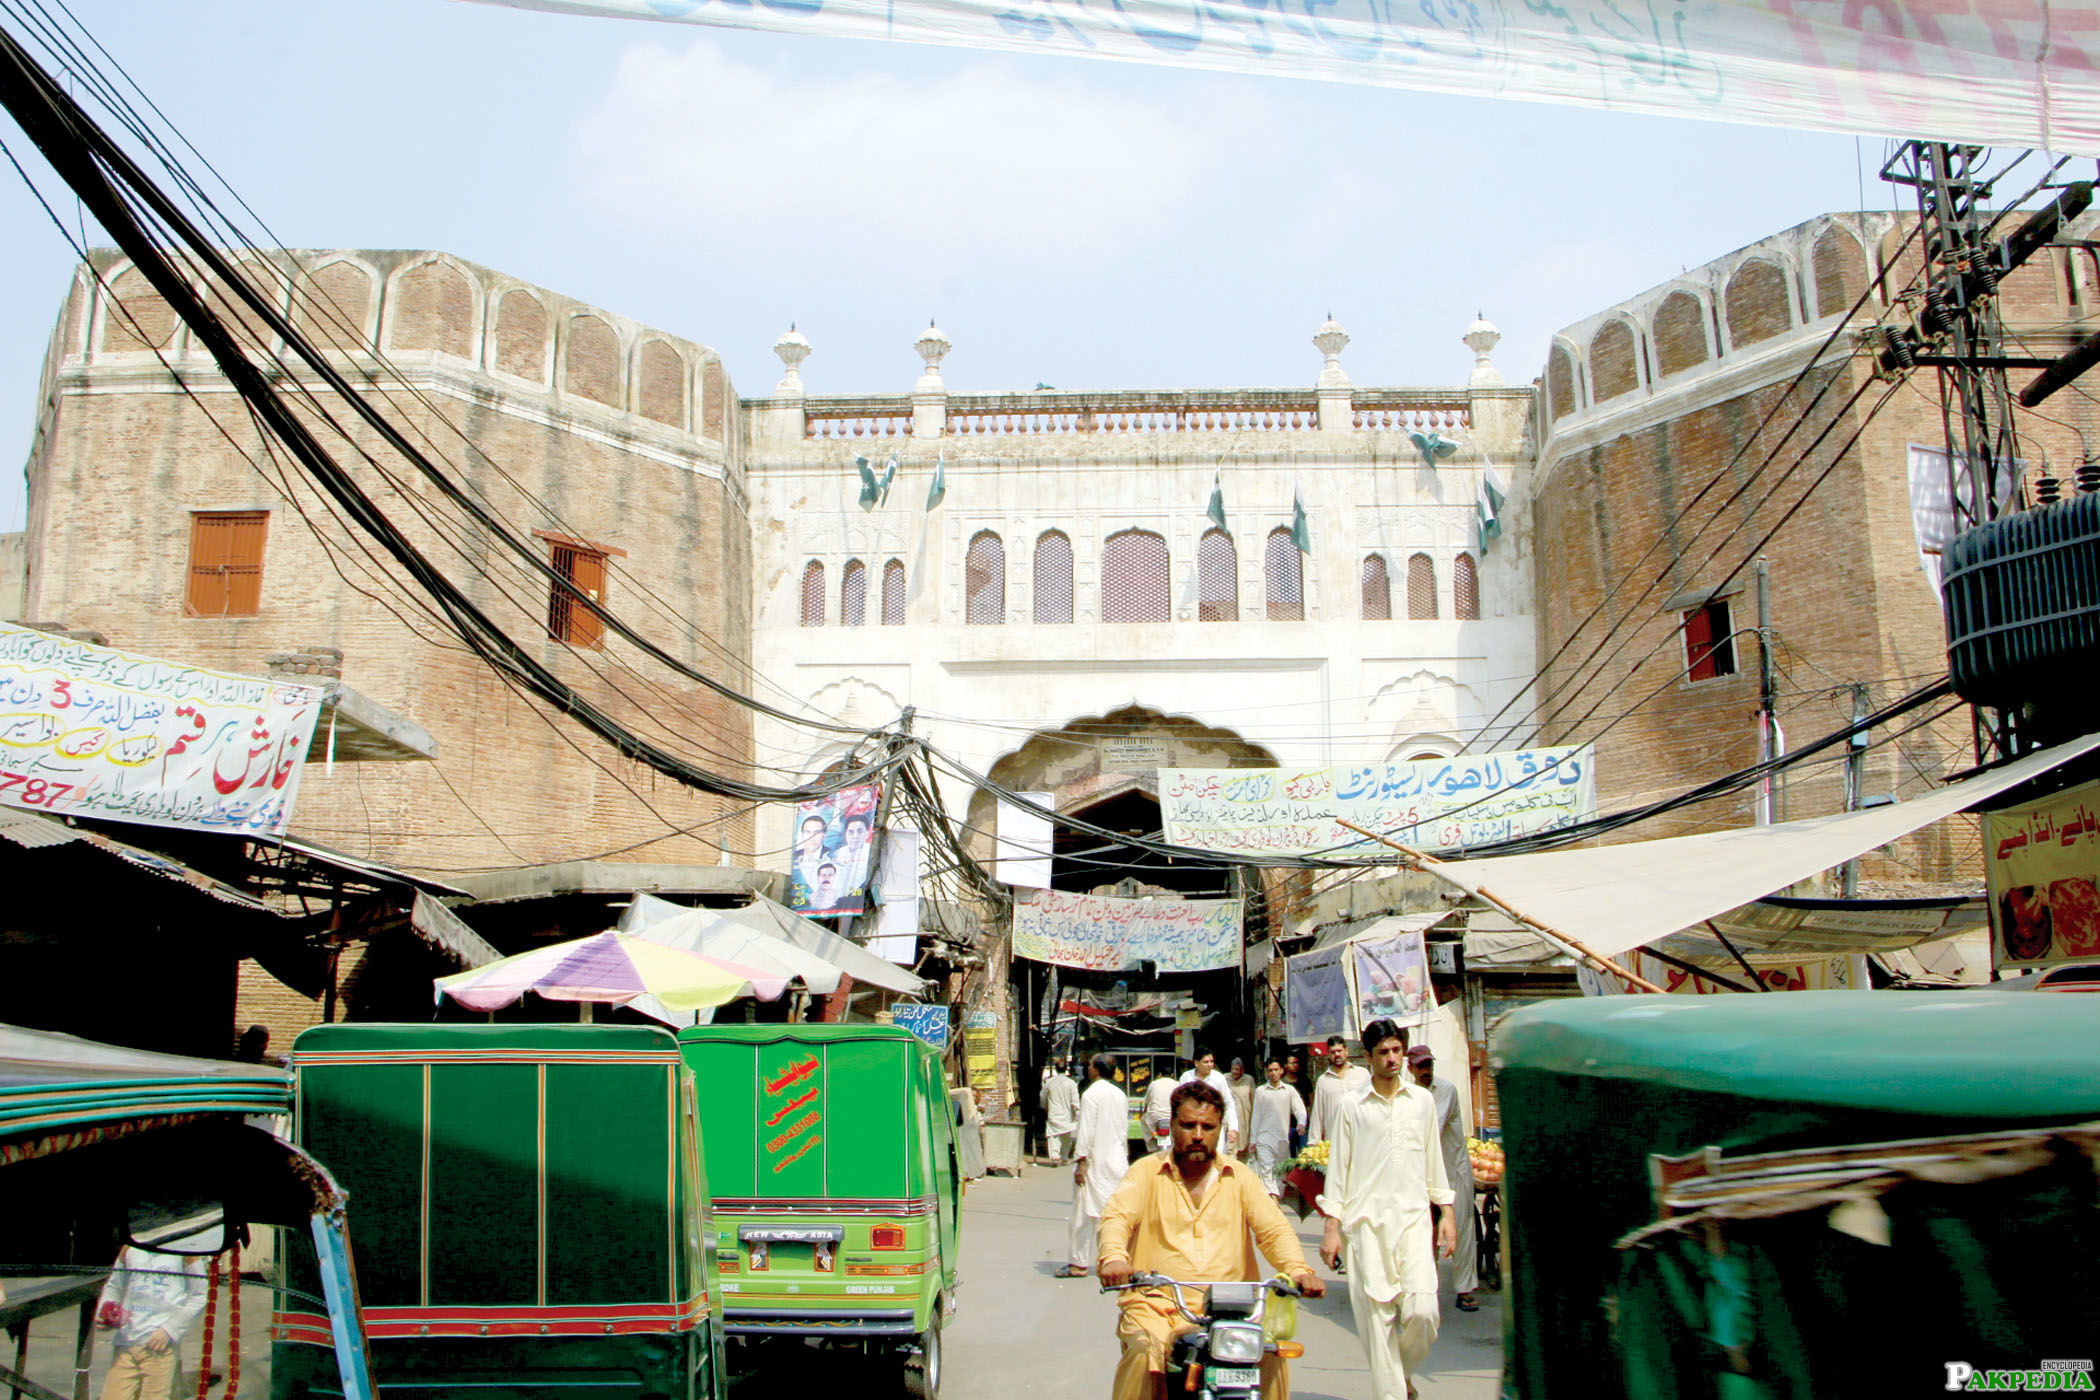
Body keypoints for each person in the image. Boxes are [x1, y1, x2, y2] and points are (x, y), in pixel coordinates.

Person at [1098, 1080, 1324, 1400]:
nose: (1198, 1134)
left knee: (1270, 1352)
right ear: (1172, 1125)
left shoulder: (1241, 1177)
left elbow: (1273, 1230)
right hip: (1156, 1305)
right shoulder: (1146, 1173)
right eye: (1188, 1125)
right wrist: (1114, 1259)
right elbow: (1116, 1218)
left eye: (1208, 1126)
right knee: (1143, 1351)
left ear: (1220, 1128)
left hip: (1233, 1309)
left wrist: (1299, 1270)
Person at [1318, 1020, 1456, 1400]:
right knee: (1378, 1323)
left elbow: (1434, 1161)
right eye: (1383, 1052)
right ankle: (1395, 1392)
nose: (1392, 1059)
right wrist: (1333, 1228)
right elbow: (1339, 1171)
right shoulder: (1351, 1106)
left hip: (1413, 1221)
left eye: (1397, 1051)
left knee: (1424, 1312)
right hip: (1365, 1226)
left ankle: (1400, 1374)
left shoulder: (1422, 1102)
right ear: (1369, 1056)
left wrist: (1447, 1212)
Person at [1407, 1044, 1479, 1312]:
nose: (1426, 1071)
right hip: (1422, 1173)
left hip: (1451, 1171)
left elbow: (1431, 1129)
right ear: (1410, 1068)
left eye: (1429, 1065)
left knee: (1460, 1227)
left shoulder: (1445, 1090)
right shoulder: (1408, 1093)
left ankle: (1465, 1289)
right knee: (1423, 1232)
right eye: (1421, 1066)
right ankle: (1425, 1290)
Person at [96, 1244, 210, 1400]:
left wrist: (169, 1330)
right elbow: (114, 1286)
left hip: (159, 1347)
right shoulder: (129, 1248)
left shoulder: (184, 1249)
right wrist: (105, 1311)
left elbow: (200, 1295)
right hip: (126, 1343)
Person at [1058, 1054, 1130, 1278]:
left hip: (1094, 1163)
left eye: (1090, 1065)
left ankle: (1078, 1263)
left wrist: (1081, 1162)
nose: (1087, 1069)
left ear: (1097, 1070)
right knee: (1113, 1215)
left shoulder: (1091, 1095)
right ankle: (1112, 1259)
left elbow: (1086, 1132)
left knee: (1082, 1216)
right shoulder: (1120, 1094)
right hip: (1116, 1162)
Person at [1245, 1058, 1307, 1197]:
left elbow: (1300, 1110)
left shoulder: (1289, 1091)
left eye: (1276, 1070)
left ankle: (1275, 1200)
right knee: (1266, 1171)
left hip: (1282, 1140)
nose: (1273, 1073)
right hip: (1264, 1138)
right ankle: (1272, 1201)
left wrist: (1301, 1123)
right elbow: (1256, 1116)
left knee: (1280, 1173)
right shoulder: (1261, 1091)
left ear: (1281, 1071)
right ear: (1267, 1073)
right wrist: (1253, 1140)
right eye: (1270, 1070)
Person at [1175, 1048, 1241, 1154]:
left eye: (1211, 1061)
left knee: (1214, 1160)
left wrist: (1232, 1128)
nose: (1210, 1065)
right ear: (1196, 1063)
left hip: (1213, 1127)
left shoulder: (1218, 1079)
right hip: (1191, 1127)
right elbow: (1179, 1104)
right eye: (1206, 1062)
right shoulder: (1186, 1078)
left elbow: (1228, 1103)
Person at [1308, 1033, 1371, 1145]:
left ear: (1346, 1051)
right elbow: (1318, 1114)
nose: (1337, 1055)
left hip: (1361, 1139)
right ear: (1328, 1054)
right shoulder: (1323, 1081)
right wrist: (1314, 1142)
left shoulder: (1362, 1074)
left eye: (1339, 1051)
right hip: (1334, 1141)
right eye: (1333, 1052)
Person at [1042, 1059, 1081, 1164]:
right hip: (1067, 1115)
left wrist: (1045, 1107)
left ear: (1055, 1068)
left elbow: (1042, 1097)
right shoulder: (1071, 1083)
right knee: (1066, 1136)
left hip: (1053, 1114)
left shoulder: (1049, 1082)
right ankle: (1064, 1157)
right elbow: (1075, 1101)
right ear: (1066, 1069)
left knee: (1053, 1136)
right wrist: (1076, 1114)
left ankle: (1055, 1157)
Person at [1140, 1065, 1178, 1156]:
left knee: (1143, 1120)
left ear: (1160, 1075)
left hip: (1155, 1118)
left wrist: (1144, 1113)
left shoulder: (1153, 1084)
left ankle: (1152, 1149)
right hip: (1172, 1118)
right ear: (1172, 1075)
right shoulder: (1177, 1084)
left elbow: (1146, 1103)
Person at [952, 1081, 986, 1180]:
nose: (974, 1098)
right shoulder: (963, 1106)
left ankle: (975, 1170)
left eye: (975, 1096)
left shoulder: (974, 1108)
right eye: (972, 1096)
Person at [1225, 1057, 1255, 1138]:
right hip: (1229, 1119)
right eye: (1233, 1069)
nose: (1234, 1072)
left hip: (1245, 1119)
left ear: (1242, 1070)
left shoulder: (1249, 1080)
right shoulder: (1225, 1078)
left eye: (1237, 1069)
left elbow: (1253, 1101)